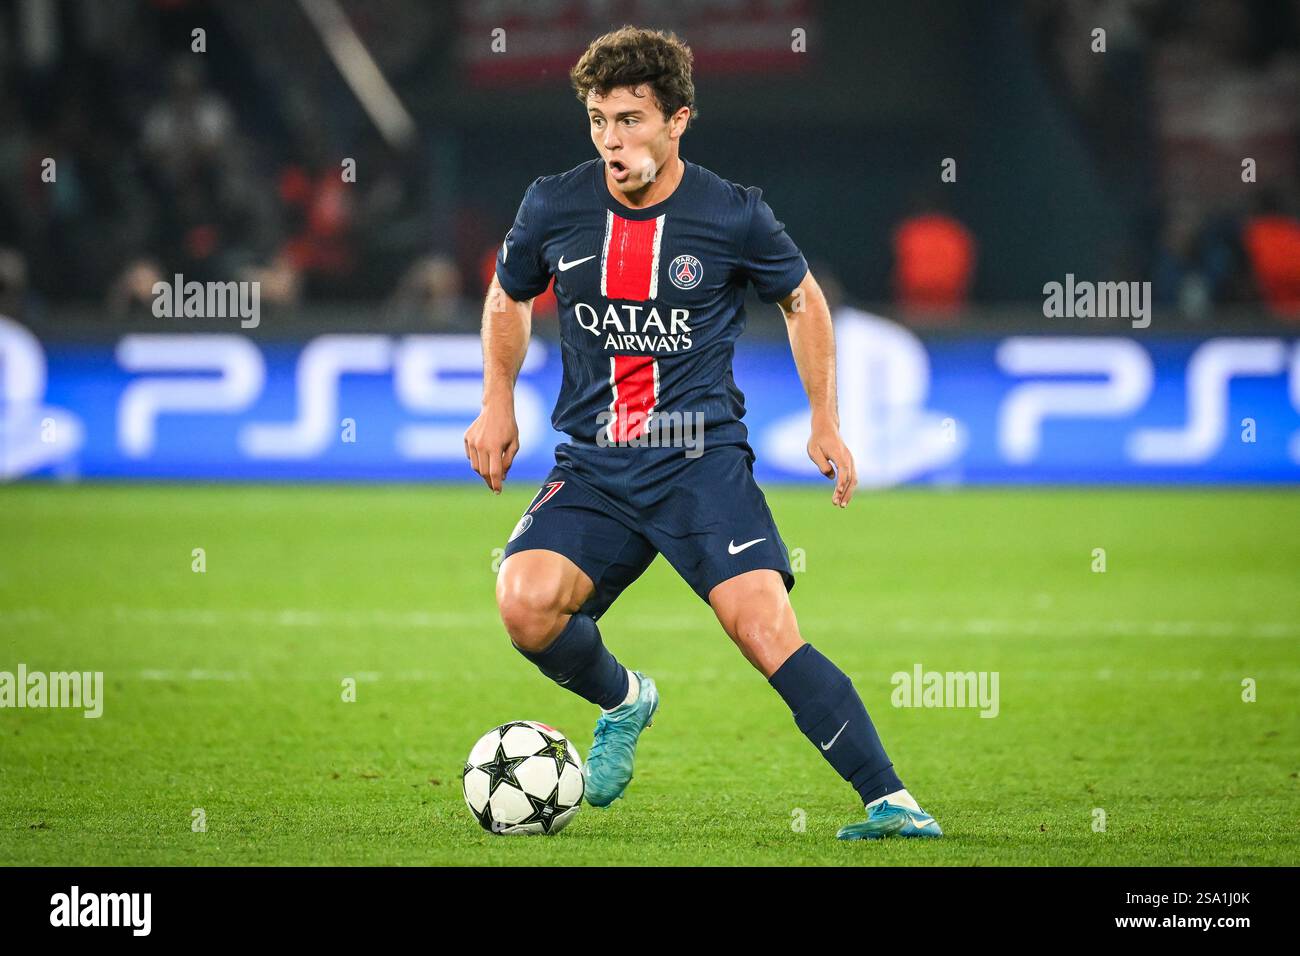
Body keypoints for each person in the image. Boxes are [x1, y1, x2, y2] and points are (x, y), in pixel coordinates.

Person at [463, 26, 940, 839]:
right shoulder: (555, 203)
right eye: (598, 120)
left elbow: (802, 301)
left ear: (678, 120)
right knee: (524, 605)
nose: (613, 140)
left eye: (631, 120)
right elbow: (509, 296)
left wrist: (826, 418)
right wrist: (496, 402)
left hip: (699, 463)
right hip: (595, 467)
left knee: (763, 630)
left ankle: (890, 800)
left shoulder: (732, 213)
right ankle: (624, 699)